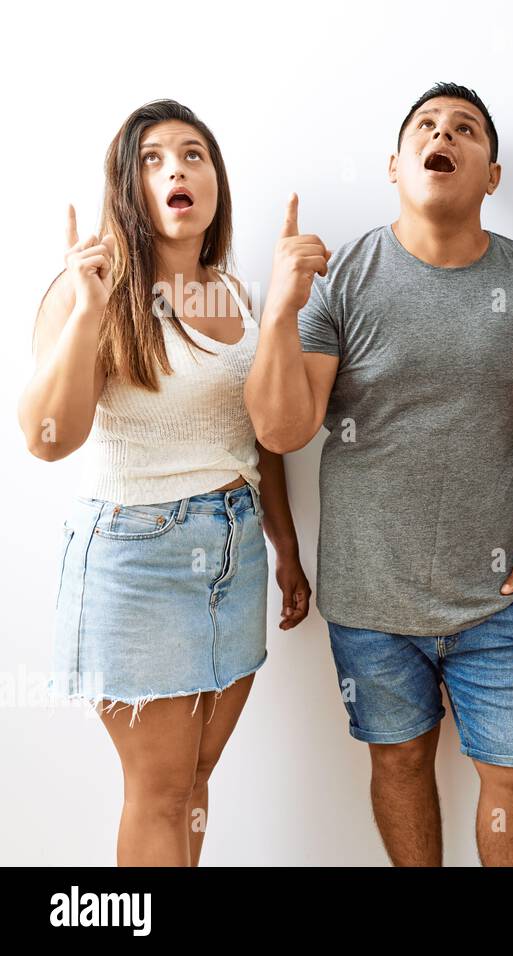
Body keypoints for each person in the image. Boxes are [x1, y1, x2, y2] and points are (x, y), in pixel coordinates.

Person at [243, 82, 513, 867]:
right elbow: (282, 427)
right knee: (398, 764)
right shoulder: (343, 279)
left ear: (491, 174)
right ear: (396, 164)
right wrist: (278, 313)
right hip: (370, 595)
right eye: (427, 128)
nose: (445, 136)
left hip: (498, 599)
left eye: (465, 129)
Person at [19, 99, 311, 866]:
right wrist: (88, 314)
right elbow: (47, 440)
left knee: (194, 776)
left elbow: (260, 441)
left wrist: (284, 547)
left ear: (215, 181)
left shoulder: (238, 296)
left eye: (193, 154)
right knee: (158, 791)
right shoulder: (87, 288)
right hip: (138, 558)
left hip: (236, 549)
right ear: (128, 186)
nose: (176, 168)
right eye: (152, 158)